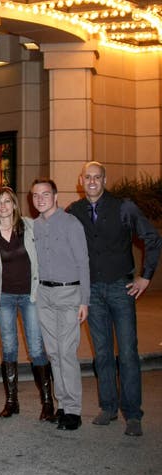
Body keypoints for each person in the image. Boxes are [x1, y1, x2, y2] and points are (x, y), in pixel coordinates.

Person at [68, 161, 162, 437]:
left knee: (129, 352)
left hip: (121, 288)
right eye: (88, 177)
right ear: (81, 181)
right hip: (92, 291)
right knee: (102, 352)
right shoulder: (74, 211)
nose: (93, 181)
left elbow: (152, 239)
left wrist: (145, 276)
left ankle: (133, 414)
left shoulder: (124, 207)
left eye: (98, 177)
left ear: (104, 180)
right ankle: (108, 407)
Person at [0, 187, 55, 421]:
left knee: (36, 348)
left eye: (7, 201)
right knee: (9, 347)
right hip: (3, 296)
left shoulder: (30, 226)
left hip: (30, 296)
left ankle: (47, 403)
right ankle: (11, 402)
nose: (3, 206)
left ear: (15, 204)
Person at [31, 178, 90, 431]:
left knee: (67, 352)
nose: (40, 199)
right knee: (53, 352)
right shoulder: (33, 226)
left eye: (45, 194)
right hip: (43, 294)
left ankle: (74, 410)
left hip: (69, 294)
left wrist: (84, 301)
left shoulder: (71, 223)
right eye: (35, 195)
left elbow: (83, 262)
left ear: (55, 196)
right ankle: (62, 405)